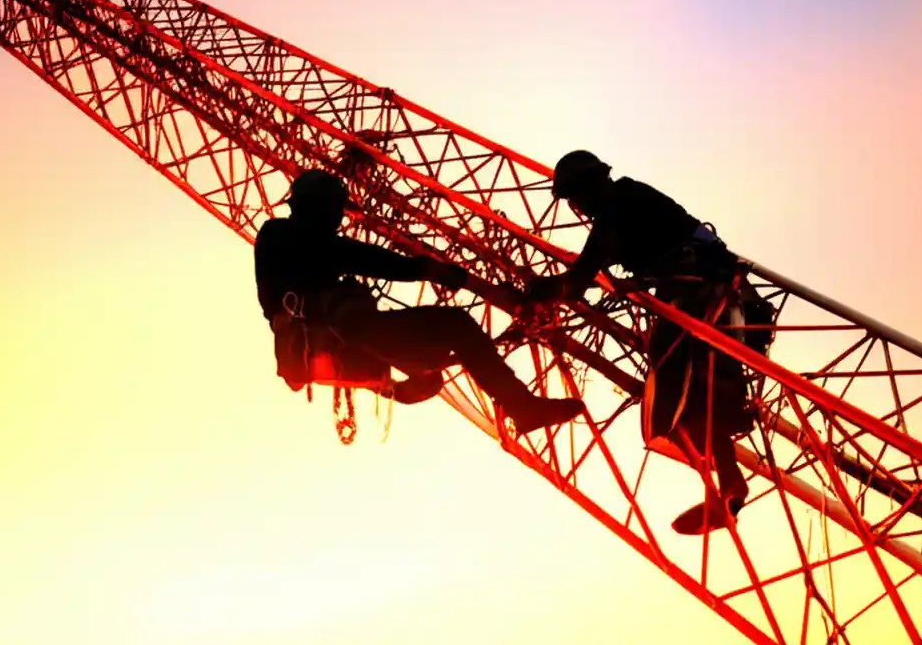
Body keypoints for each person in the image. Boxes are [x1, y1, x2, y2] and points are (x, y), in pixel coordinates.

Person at [526, 150, 772, 535]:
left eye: (574, 197)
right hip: (723, 300)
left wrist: (546, 289)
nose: (577, 206)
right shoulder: (630, 200)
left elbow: (578, 278)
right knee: (697, 394)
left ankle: (725, 484)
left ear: (586, 188)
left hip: (701, 299)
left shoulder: (615, 207)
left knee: (671, 395)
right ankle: (726, 483)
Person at [255, 167, 584, 436]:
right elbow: (366, 259)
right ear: (319, 209)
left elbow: (350, 256)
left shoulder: (283, 242)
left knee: (432, 366)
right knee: (456, 326)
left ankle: (403, 385)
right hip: (347, 333)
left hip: (332, 341)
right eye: (333, 212)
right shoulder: (291, 238)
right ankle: (522, 407)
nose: (336, 221)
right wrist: (433, 271)